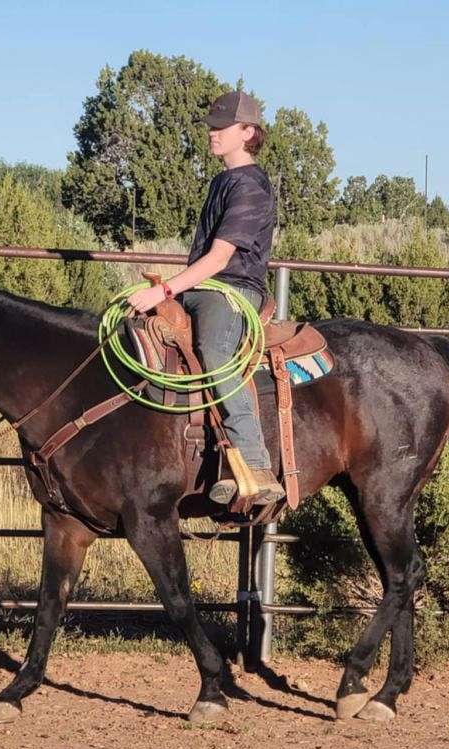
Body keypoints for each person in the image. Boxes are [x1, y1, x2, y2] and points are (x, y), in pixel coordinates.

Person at [127, 89, 283, 506]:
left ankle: (254, 460)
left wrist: (163, 289)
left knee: (213, 350)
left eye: (222, 127)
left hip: (233, 290)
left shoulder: (250, 186)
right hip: (206, 288)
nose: (212, 134)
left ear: (248, 132)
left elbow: (219, 258)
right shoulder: (222, 181)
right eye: (212, 127)